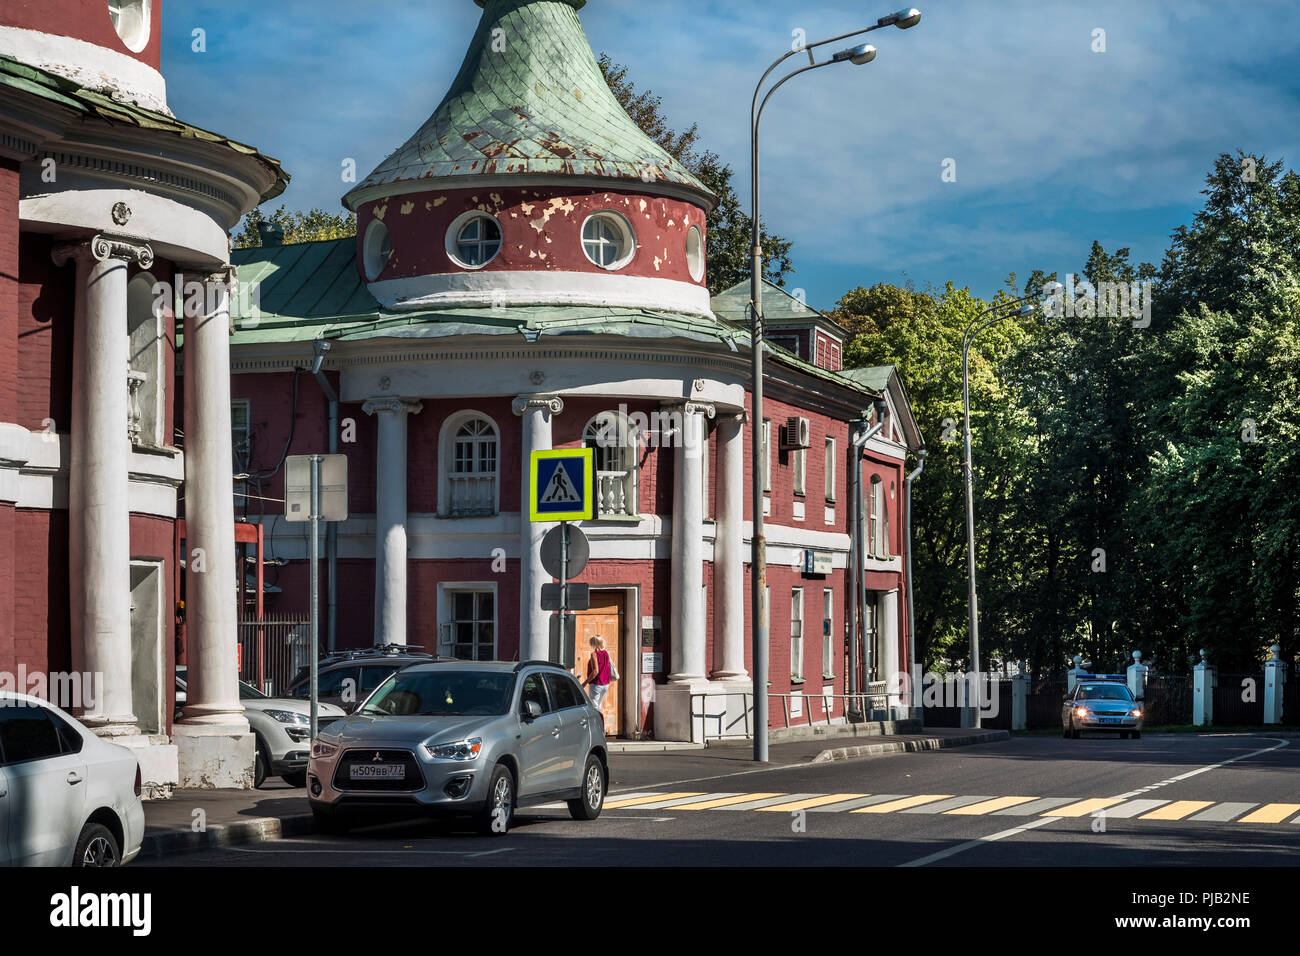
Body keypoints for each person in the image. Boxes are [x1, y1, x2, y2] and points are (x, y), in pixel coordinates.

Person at [583, 635, 613, 707]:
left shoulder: (594, 654)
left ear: (594, 643)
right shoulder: (606, 653)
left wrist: (585, 683)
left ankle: (598, 718)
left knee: (594, 707)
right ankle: (601, 718)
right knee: (598, 705)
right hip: (605, 684)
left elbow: (595, 671)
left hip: (596, 684)